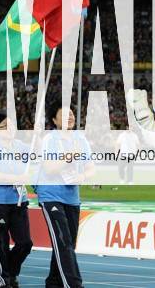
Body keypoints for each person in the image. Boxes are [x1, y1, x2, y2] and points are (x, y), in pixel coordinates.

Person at [36, 102, 93, 288]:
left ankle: (53, 283)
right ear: (54, 119)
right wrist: (69, 156)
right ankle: (75, 285)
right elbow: (50, 168)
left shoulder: (81, 139)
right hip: (51, 194)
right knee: (63, 242)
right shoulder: (49, 140)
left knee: (66, 244)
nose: (69, 116)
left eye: (71, 113)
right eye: (64, 114)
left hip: (72, 197)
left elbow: (90, 167)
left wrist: (82, 175)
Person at [0, 113, 33, 288]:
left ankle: (11, 272)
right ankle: (2, 280)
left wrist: (39, 134)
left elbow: (37, 157)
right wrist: (14, 178)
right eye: (4, 125)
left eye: (11, 124)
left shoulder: (22, 147)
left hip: (19, 200)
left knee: (25, 243)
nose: (9, 128)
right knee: (1, 245)